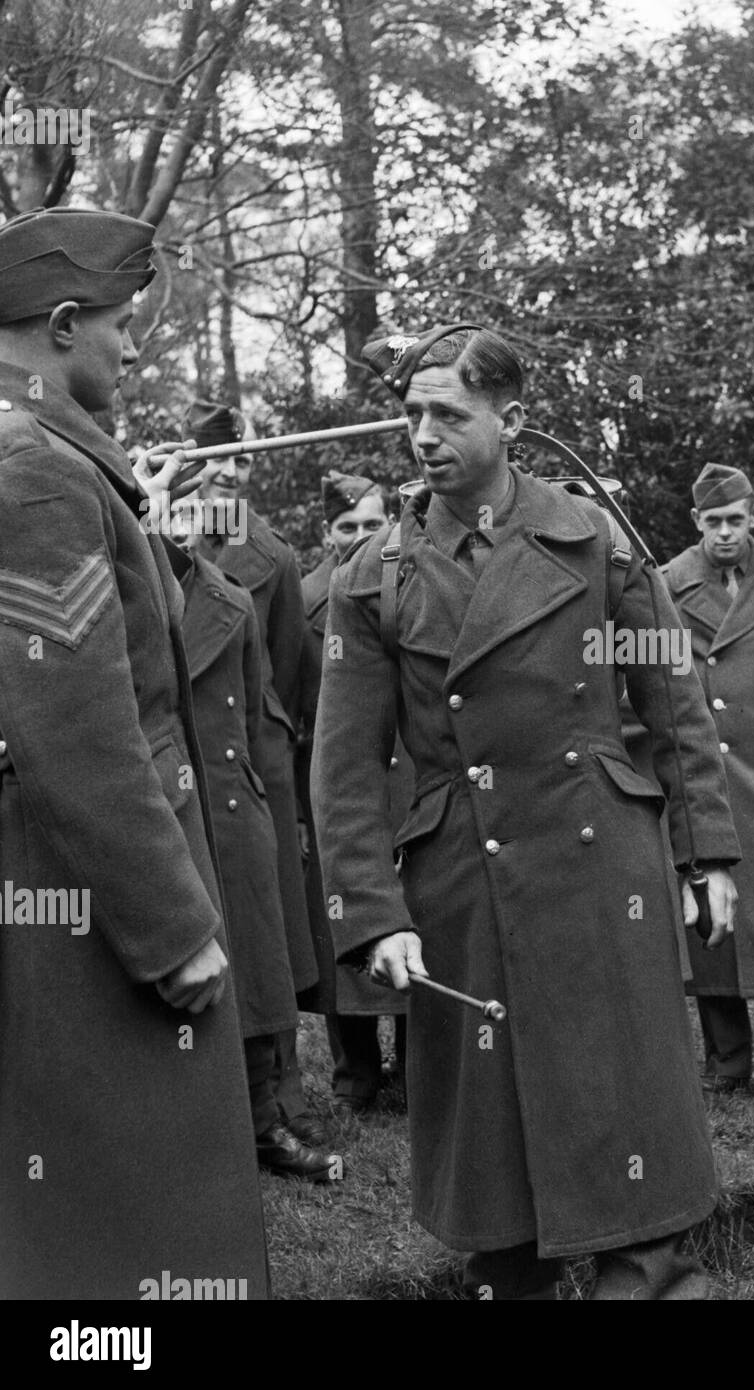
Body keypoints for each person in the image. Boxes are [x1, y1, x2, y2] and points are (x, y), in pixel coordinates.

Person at [313, 323, 740, 1299]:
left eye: (448, 414)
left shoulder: (590, 541)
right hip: (466, 881)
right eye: (413, 413)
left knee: (624, 1120)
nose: (423, 434)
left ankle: (645, 1276)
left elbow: (668, 695)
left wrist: (702, 846)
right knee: (494, 1164)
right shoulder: (373, 574)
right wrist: (372, 913)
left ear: (511, 420)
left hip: (601, 870)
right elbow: (342, 770)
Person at [0, 206, 268, 1297]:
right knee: (134, 1224)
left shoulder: (46, 457)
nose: (133, 345)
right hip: (91, 912)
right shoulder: (39, 472)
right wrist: (172, 929)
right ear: (63, 324)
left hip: (71, 890)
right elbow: (75, 728)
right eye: (122, 324)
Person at [172, 499, 342, 1180]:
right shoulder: (116, 588)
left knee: (253, 959)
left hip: (233, 799)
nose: (185, 524)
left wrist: (280, 809)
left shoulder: (232, 599)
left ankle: (266, 1123)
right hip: (158, 800)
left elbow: (265, 711)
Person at [187, 401, 325, 1144]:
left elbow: (289, 680)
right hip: (183, 754)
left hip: (253, 755)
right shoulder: (149, 544)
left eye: (239, 463)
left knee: (268, 928)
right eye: (214, 463)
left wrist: (293, 796)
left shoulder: (272, 557)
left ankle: (285, 1096)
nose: (227, 477)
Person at [662, 463, 754, 1092]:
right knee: (712, 920)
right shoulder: (668, 584)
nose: (725, 532)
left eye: (736, 519)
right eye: (712, 521)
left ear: (753, 514)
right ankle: (727, 1064)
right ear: (695, 522)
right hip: (713, 770)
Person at [298, 470, 408, 1114]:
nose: (363, 537)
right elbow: (284, 706)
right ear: (325, 533)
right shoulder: (309, 598)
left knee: (413, 913)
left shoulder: (408, 581)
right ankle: (355, 1072)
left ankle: (422, 1065)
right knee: (342, 917)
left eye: (374, 525)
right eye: (348, 528)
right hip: (338, 783)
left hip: (409, 779)